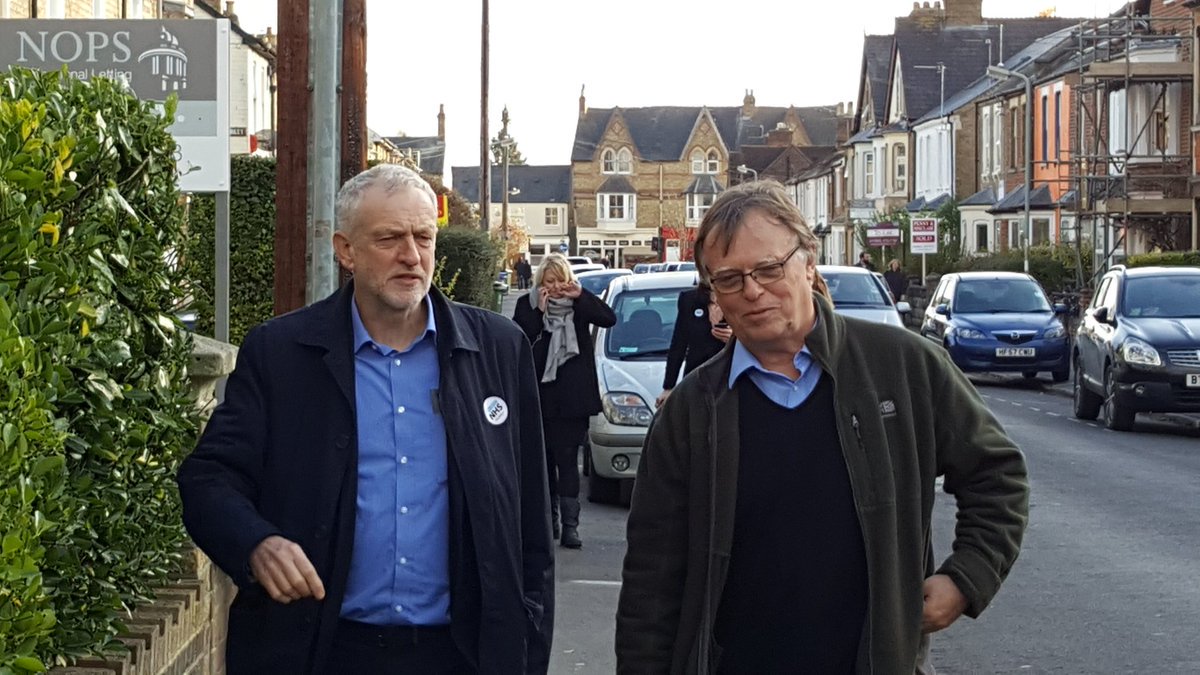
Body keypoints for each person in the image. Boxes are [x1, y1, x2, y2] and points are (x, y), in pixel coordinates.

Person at [616, 180, 1029, 673]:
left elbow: (998, 477)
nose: (752, 291)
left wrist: (966, 578)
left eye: (769, 269)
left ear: (808, 262)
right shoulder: (689, 412)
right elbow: (651, 583)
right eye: (729, 279)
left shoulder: (903, 368)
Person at [177, 164, 554, 674]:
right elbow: (208, 478)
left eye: (423, 237)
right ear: (346, 250)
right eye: (389, 238)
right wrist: (256, 543)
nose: (411, 255)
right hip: (323, 650)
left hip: (461, 654)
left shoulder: (498, 350)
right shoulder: (282, 354)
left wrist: (528, 642)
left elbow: (531, 516)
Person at [513, 254, 616, 549]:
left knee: (568, 462)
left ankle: (571, 526)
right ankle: (549, 522)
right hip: (539, 397)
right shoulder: (527, 305)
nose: (556, 287)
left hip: (572, 400)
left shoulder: (579, 306)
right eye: (549, 281)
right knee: (543, 464)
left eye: (560, 280)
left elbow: (609, 318)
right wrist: (539, 312)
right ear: (540, 282)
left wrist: (582, 295)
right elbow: (519, 340)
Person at [656, 283, 731, 409]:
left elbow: (756, 340)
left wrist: (735, 338)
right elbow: (678, 344)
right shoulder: (690, 300)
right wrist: (669, 387)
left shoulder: (737, 297)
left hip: (729, 381)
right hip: (696, 379)